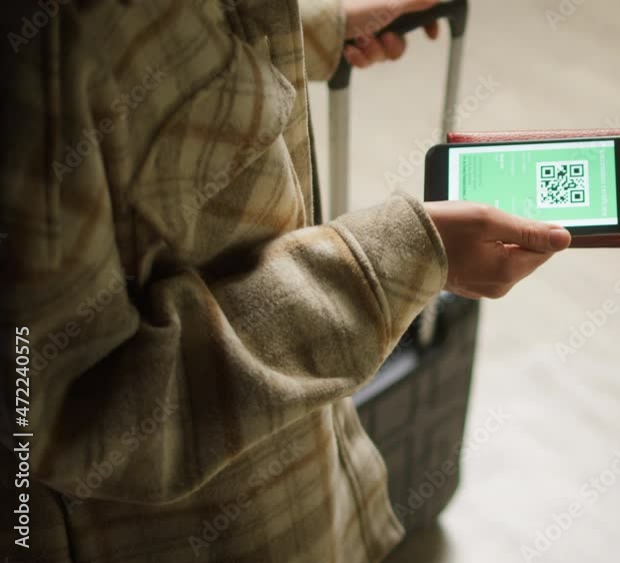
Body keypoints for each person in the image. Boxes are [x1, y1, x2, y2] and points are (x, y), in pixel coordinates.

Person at [0, 0, 570, 561]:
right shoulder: (49, 53)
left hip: (293, 480)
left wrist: (307, 28)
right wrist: (397, 260)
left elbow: (176, 57)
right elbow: (63, 416)